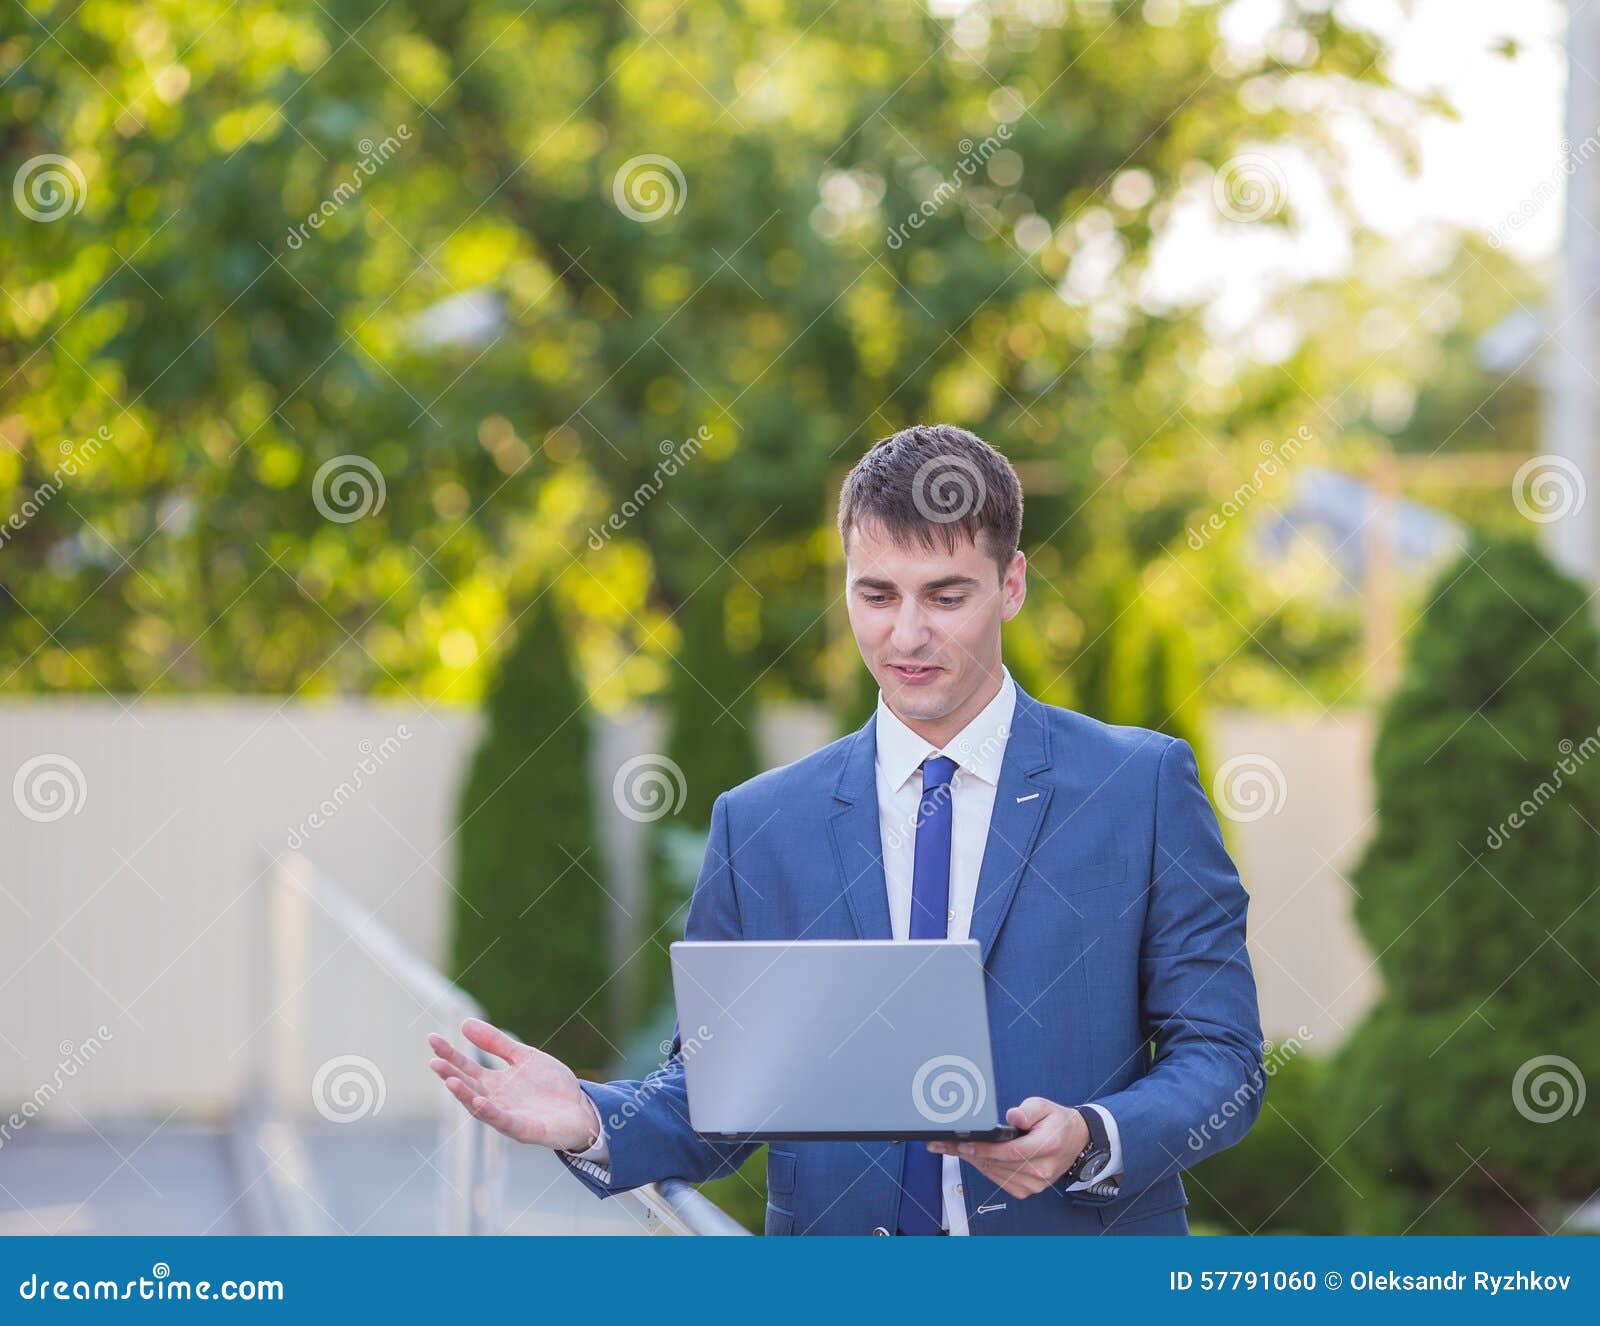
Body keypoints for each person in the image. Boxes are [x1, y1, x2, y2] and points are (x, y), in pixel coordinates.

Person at [428, 423, 1265, 1235]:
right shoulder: (759, 822)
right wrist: (590, 1114)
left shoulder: (1139, 787)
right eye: (877, 594)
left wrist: (1095, 1136)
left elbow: (1223, 1059)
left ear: (1011, 584)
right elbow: (723, 1094)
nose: (907, 635)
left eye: (945, 596)